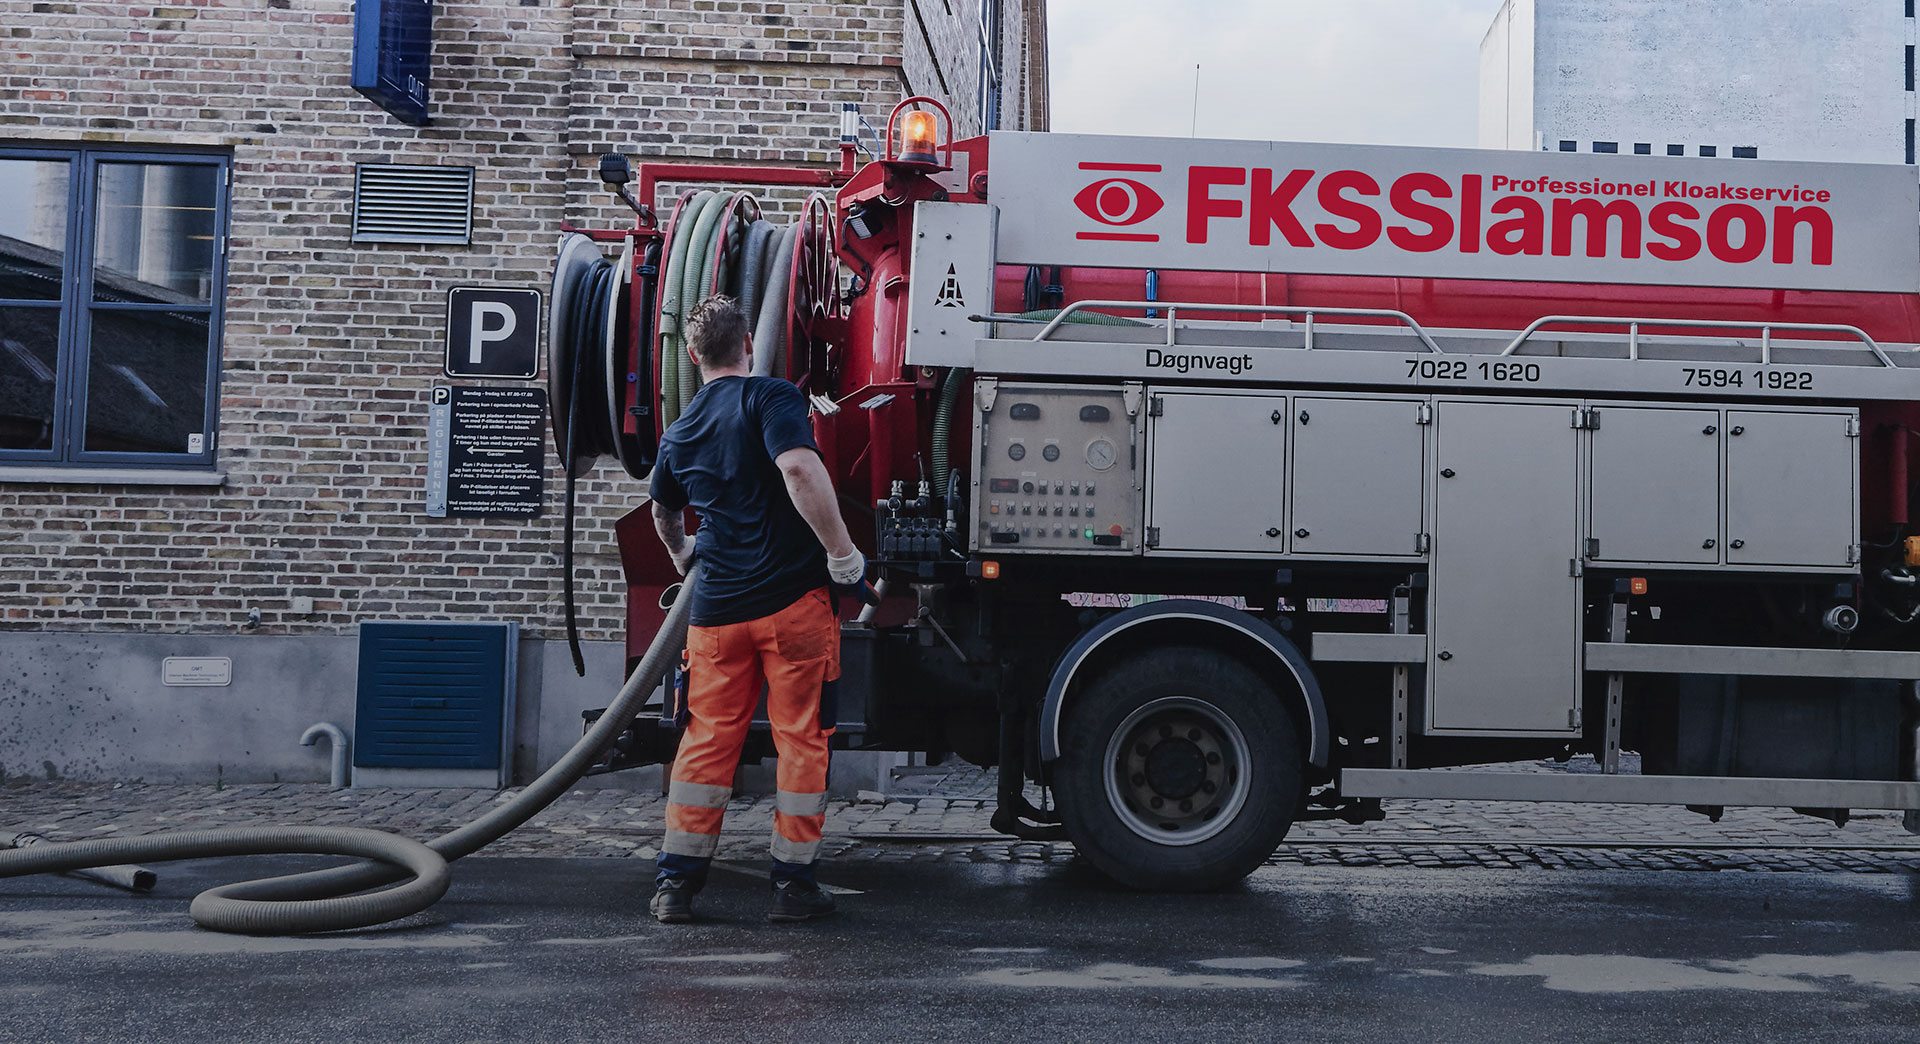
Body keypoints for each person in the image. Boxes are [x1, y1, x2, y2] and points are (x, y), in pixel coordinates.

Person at [645, 295, 865, 924]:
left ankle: (675, 886)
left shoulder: (680, 429)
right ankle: (794, 886)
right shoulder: (769, 397)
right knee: (799, 738)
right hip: (791, 606)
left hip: (715, 616)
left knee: (706, 741)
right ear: (747, 343)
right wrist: (843, 555)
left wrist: (684, 553)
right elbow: (798, 468)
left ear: (692, 356)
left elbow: (662, 511)